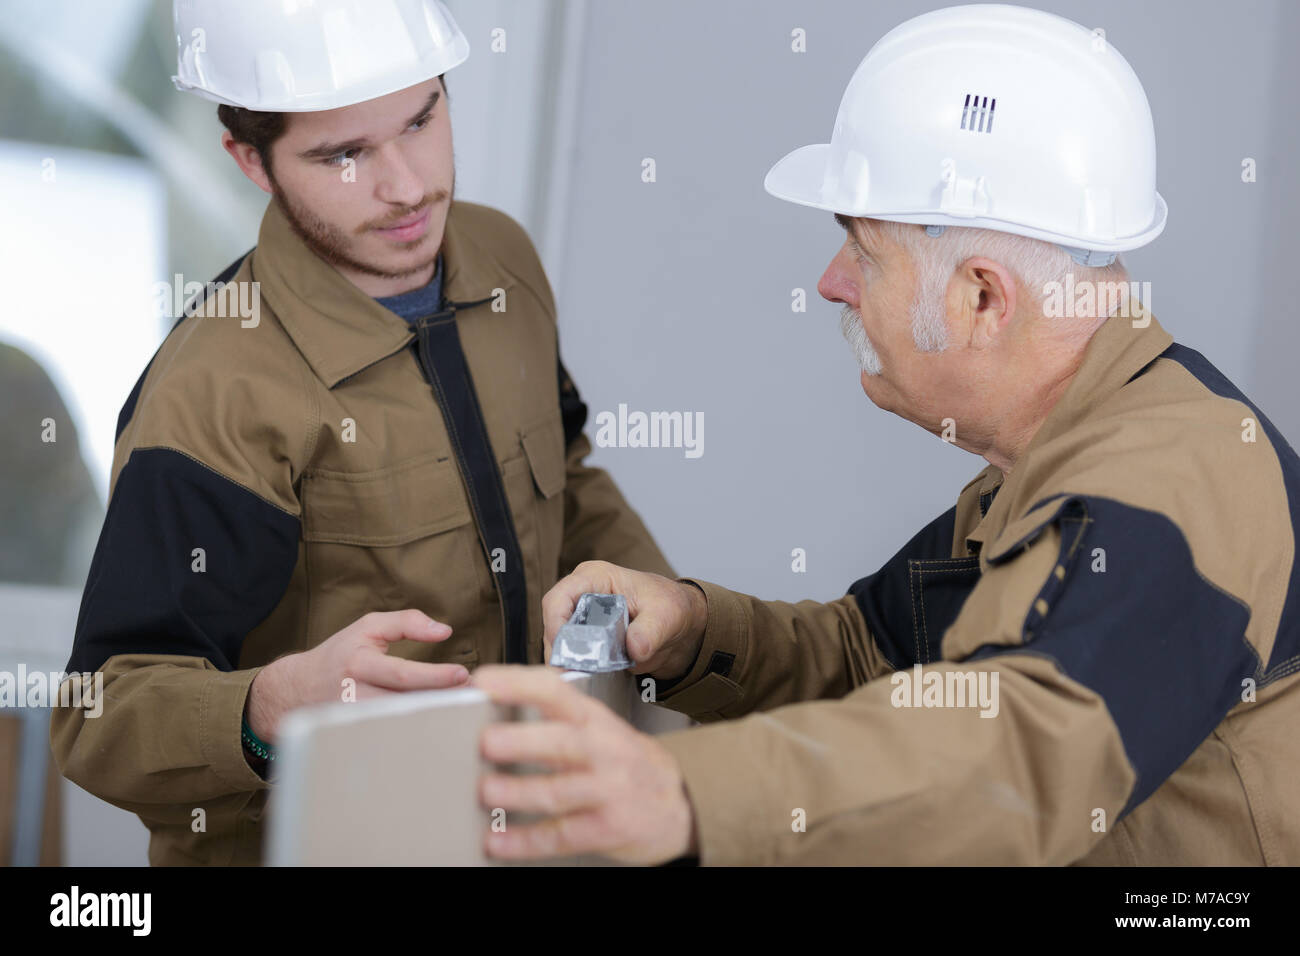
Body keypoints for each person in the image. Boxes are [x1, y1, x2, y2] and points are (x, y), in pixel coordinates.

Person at [472, 4, 1300, 866]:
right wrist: (693, 629)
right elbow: (880, 657)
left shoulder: (1168, 482)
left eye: (862, 252)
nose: (831, 284)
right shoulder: (1055, 457)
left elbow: (1007, 752)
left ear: (983, 297)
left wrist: (682, 794)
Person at [51, 0, 672, 866]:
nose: (408, 186)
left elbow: (567, 476)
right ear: (249, 159)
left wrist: (668, 625)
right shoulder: (215, 393)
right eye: (344, 154)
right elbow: (99, 718)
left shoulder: (503, 262)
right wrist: (270, 706)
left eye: (421, 120)